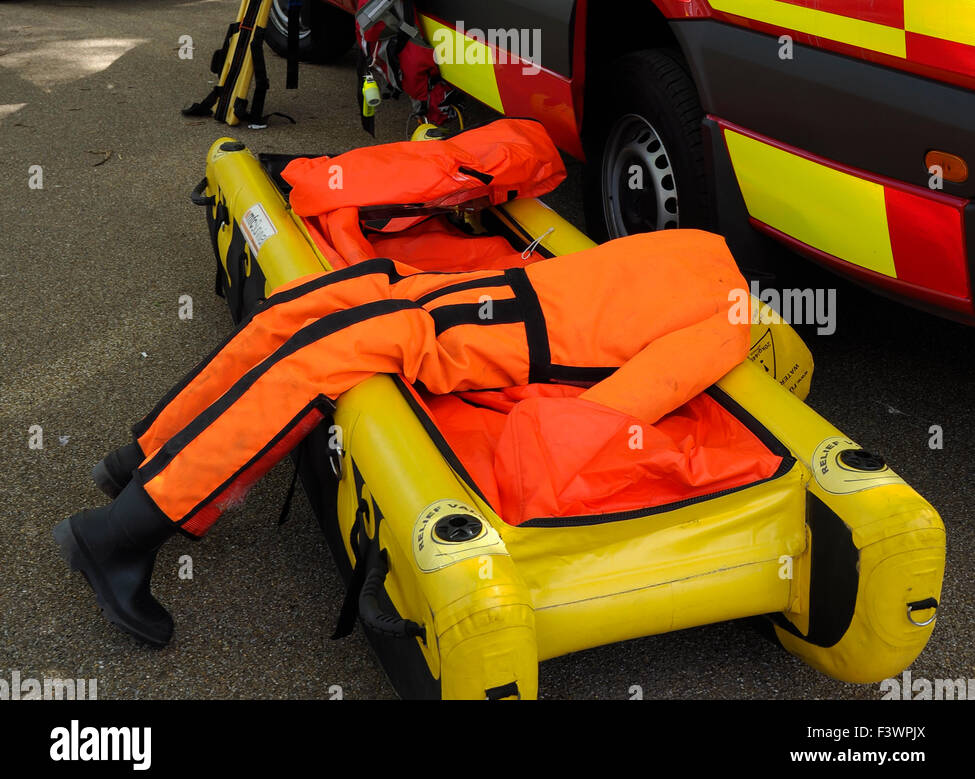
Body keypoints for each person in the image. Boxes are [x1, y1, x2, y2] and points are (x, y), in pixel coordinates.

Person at [53, 232, 749, 647]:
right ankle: (122, 532)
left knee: (298, 317)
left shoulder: (695, 245)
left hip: (487, 286)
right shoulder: (730, 323)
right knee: (313, 365)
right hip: (506, 329)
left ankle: (139, 460)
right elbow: (616, 407)